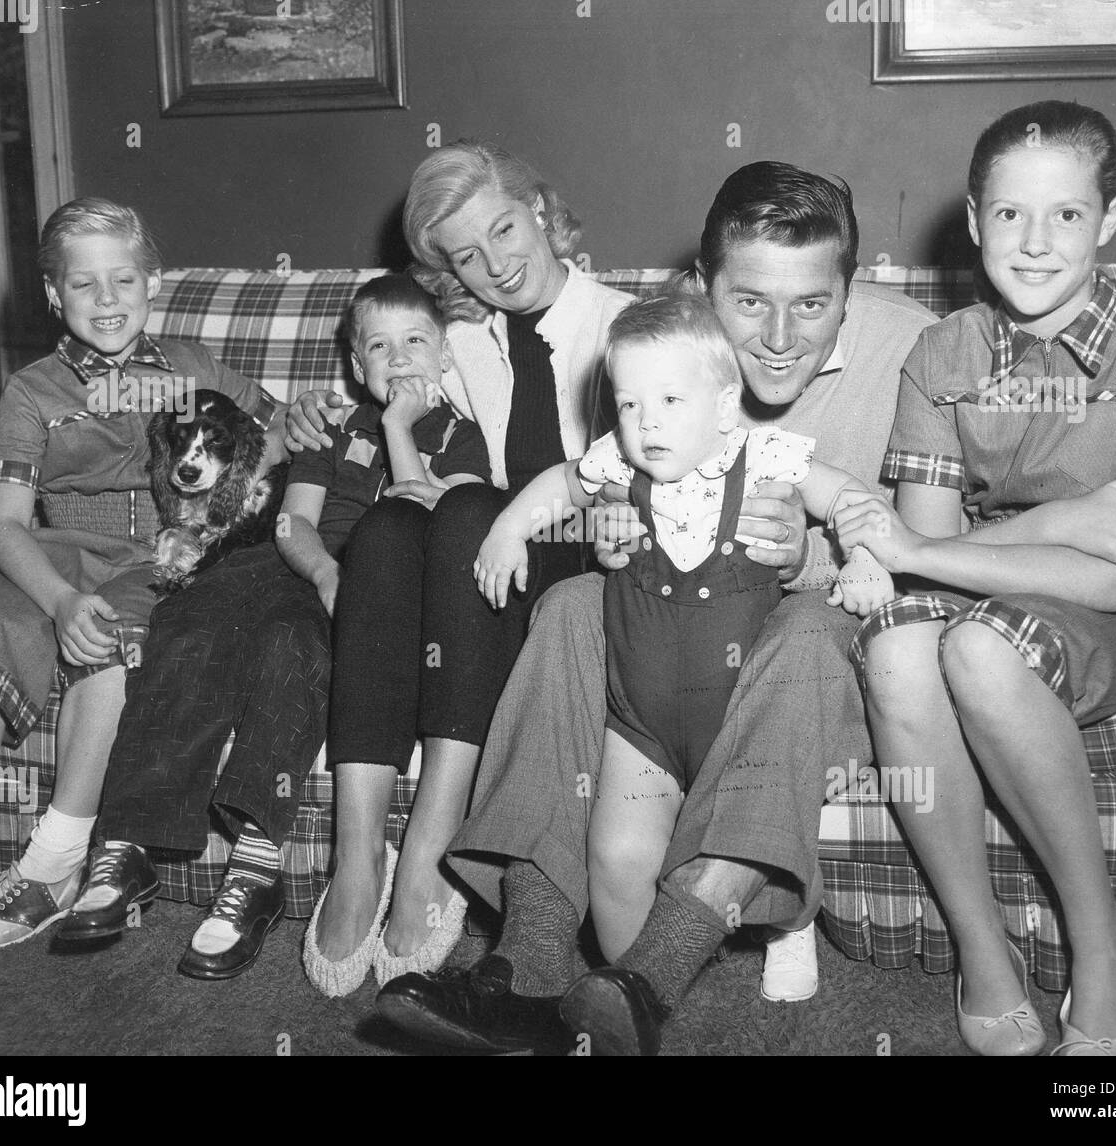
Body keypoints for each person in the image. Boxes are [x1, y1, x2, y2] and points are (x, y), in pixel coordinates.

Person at [373, 162, 938, 1054]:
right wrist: (613, 532)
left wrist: (817, 559)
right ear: (702, 291)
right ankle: (524, 967)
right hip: (665, 652)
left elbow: (929, 546)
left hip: (807, 659)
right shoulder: (657, 359)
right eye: (749, 303)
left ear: (848, 289)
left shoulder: (916, 350)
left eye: (813, 304)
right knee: (569, 607)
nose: (782, 337)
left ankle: (666, 957)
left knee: (803, 623)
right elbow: (597, 488)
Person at [837, 101, 1116, 1056]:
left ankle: (1103, 953)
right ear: (974, 222)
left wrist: (933, 552)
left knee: (980, 647)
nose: (1037, 243)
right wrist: (1059, 520)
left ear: (1111, 219)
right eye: (1010, 214)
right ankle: (985, 952)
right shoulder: (943, 354)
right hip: (984, 576)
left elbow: (1106, 574)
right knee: (895, 649)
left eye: (1067, 214)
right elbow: (926, 540)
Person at [54, 274, 487, 980]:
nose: (400, 359)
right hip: (302, 567)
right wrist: (322, 573)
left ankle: (254, 867)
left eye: (417, 343)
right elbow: (295, 521)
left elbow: (425, 515)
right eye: (380, 347)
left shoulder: (461, 438)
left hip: (384, 600)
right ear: (355, 365)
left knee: (295, 648)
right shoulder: (334, 429)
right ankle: (126, 839)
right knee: (192, 618)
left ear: (446, 355)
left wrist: (400, 428)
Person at [291, 141, 633, 996]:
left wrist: (512, 514)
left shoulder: (628, 327)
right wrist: (292, 416)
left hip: (588, 564)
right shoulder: (461, 341)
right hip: (469, 567)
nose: (495, 266)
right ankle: (360, 853)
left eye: (505, 231)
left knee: (473, 508)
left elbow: (656, 493)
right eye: (465, 256)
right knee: (385, 529)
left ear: (545, 214)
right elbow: (379, 390)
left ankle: (432, 853)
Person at [475, 291, 893, 960]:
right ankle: (628, 1001)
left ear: (724, 405)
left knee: (741, 830)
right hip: (641, 726)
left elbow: (846, 494)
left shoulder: (762, 459)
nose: (646, 424)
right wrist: (508, 527)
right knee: (615, 859)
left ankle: (748, 931)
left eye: (671, 401)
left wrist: (866, 556)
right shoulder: (618, 462)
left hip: (741, 721)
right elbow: (564, 482)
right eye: (630, 403)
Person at [0, 198, 283, 954]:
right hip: (53, 549)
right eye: (83, 285)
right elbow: (4, 523)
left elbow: (272, 428)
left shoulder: (193, 367)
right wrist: (57, 599)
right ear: (54, 295)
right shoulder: (32, 390)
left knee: (110, 642)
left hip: (158, 554)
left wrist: (246, 497)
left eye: (122, 280)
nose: (106, 301)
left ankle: (56, 862)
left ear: (151, 282)